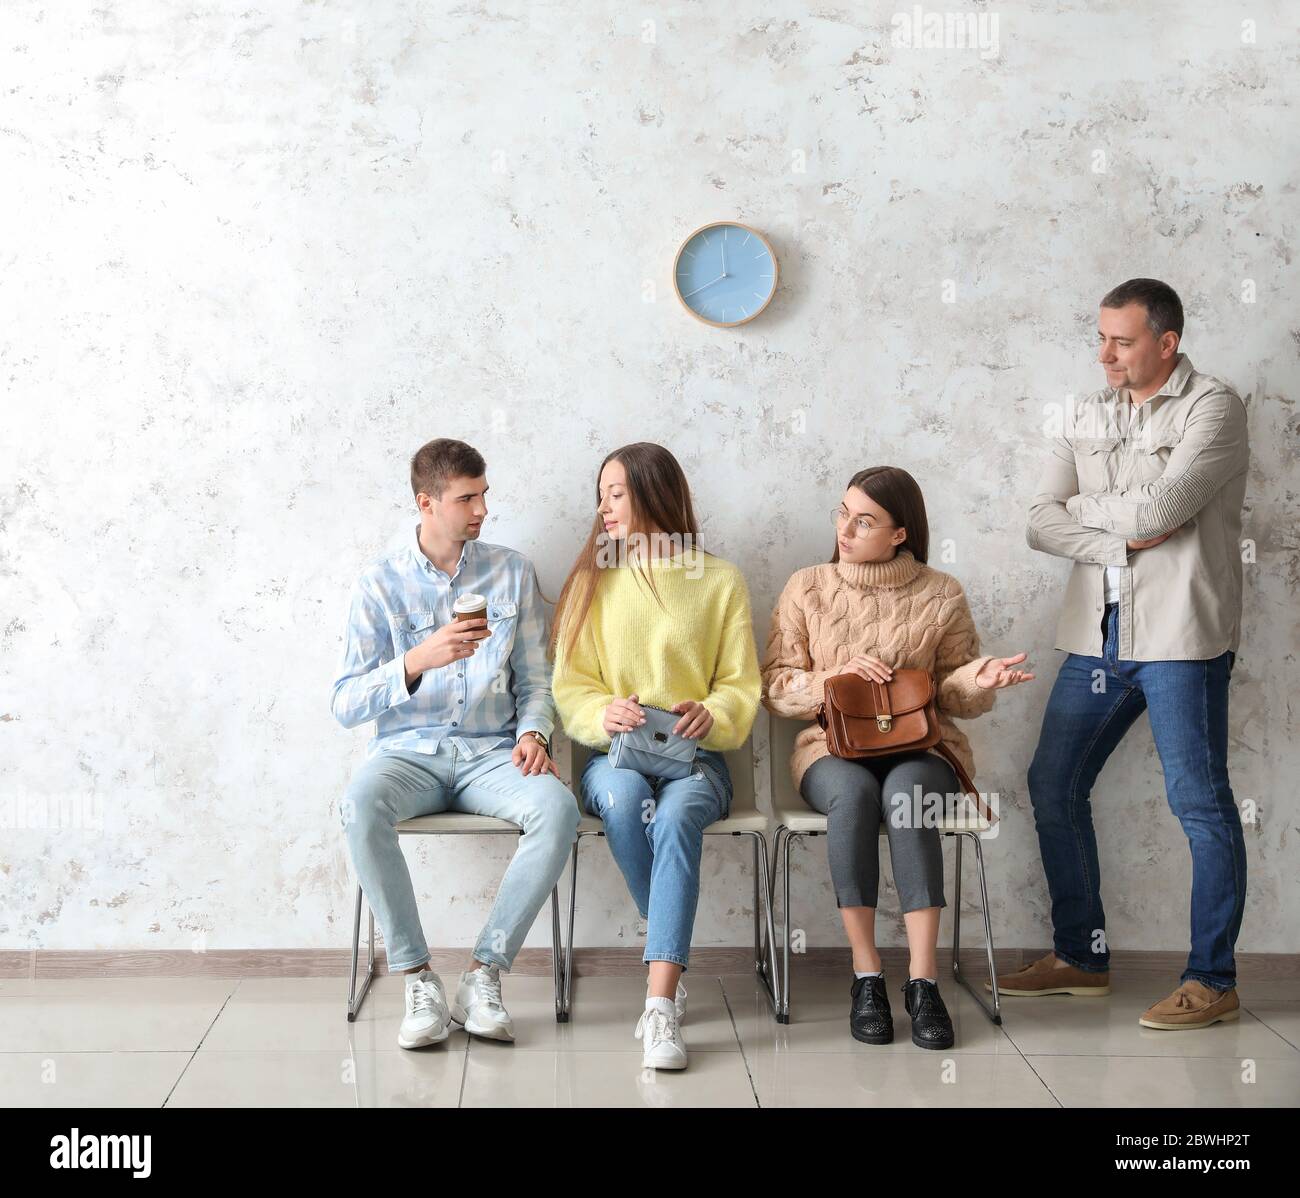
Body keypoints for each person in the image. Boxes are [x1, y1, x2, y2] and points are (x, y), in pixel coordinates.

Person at [1010, 277, 1249, 1030]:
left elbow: (1162, 513)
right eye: (1101, 338)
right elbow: (1039, 524)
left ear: (1166, 343)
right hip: (1098, 635)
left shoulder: (1215, 406)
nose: (1105, 354)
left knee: (1201, 807)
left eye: (1122, 340)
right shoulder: (1084, 410)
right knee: (1053, 784)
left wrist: (1095, 513)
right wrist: (1121, 529)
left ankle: (1212, 979)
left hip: (1182, 638)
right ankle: (1081, 957)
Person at [762, 466, 1032, 1048]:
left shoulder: (941, 593)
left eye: (865, 520)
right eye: (842, 513)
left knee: (908, 800)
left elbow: (953, 693)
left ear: (900, 533)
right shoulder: (806, 586)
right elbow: (776, 687)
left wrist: (979, 679)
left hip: (923, 748)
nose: (846, 528)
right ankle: (866, 977)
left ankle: (923, 981)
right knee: (855, 798)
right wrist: (833, 678)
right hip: (829, 748)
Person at [332, 438, 579, 1049]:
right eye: (466, 498)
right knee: (360, 804)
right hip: (407, 756)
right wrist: (416, 660)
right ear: (426, 503)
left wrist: (532, 732)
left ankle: (485, 973)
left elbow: (537, 680)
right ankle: (417, 978)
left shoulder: (512, 571)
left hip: (492, 754)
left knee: (558, 808)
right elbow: (344, 702)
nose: (481, 510)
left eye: (484, 495)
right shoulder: (379, 583)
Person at [550, 442, 761, 1070]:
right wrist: (601, 712)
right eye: (602, 494)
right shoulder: (592, 580)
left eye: (617, 493)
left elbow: (740, 684)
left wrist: (712, 712)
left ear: (653, 494)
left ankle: (661, 1008)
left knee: (673, 816)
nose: (603, 507)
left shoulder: (718, 580)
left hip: (695, 762)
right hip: (614, 759)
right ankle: (668, 951)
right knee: (625, 797)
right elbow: (570, 686)